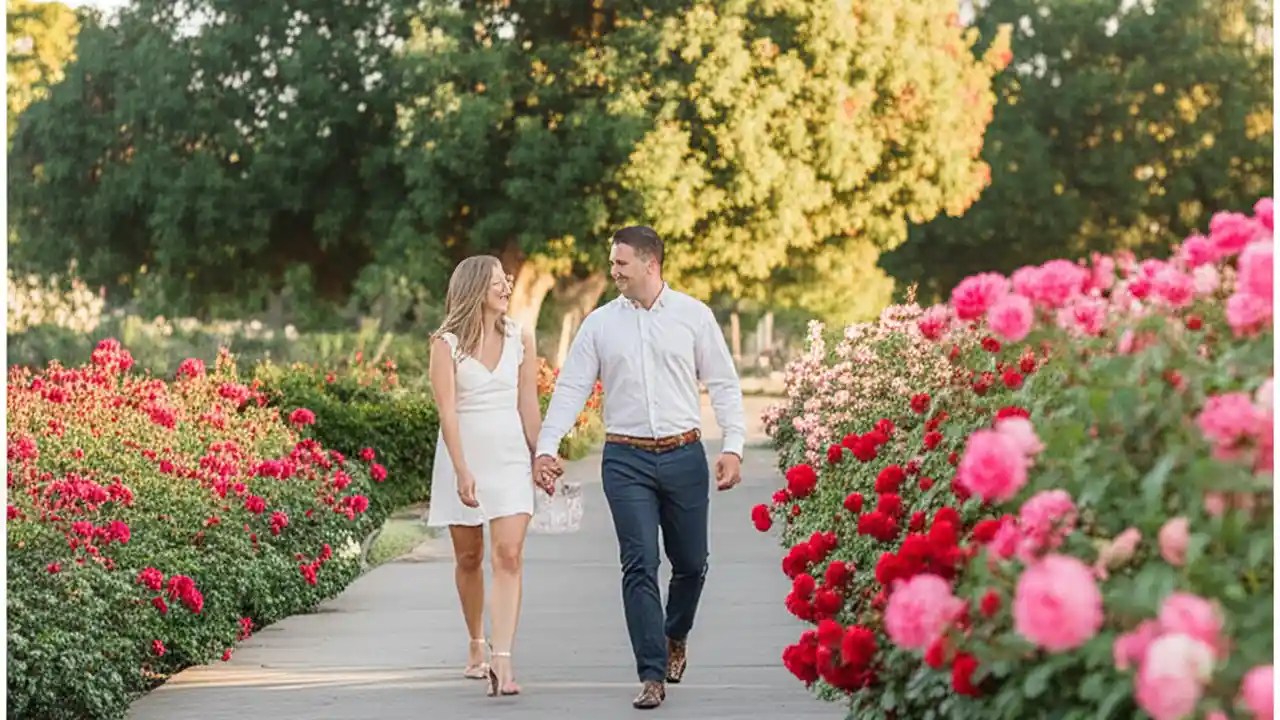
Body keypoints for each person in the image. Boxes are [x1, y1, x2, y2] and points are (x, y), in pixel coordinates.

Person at [534, 226, 747, 710]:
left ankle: (675, 634)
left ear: (651, 264)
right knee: (639, 563)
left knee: (692, 564)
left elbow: (724, 383)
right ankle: (651, 672)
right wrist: (547, 447)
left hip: (684, 455)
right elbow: (571, 390)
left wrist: (732, 445)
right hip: (625, 458)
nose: (614, 271)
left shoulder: (694, 317)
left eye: (621, 263)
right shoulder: (600, 324)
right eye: (613, 263)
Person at [425, 255, 542, 698]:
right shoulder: (446, 344)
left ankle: (503, 659)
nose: (506, 287)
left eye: (506, 280)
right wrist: (461, 469)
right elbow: (447, 412)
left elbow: (528, 405)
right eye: (497, 282)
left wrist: (541, 454)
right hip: (464, 457)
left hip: (510, 455)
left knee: (508, 555)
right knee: (470, 556)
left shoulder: (521, 338)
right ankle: (476, 640)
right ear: (475, 288)